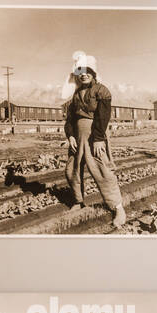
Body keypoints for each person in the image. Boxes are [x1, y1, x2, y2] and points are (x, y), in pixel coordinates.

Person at [64, 59, 127, 228]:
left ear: (93, 74)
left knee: (102, 170)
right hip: (77, 137)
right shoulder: (76, 95)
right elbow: (70, 119)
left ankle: (118, 208)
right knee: (71, 169)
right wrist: (70, 136)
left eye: (87, 72)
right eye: (80, 73)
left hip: (94, 135)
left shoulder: (101, 90)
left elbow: (103, 116)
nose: (83, 75)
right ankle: (78, 201)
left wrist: (98, 139)